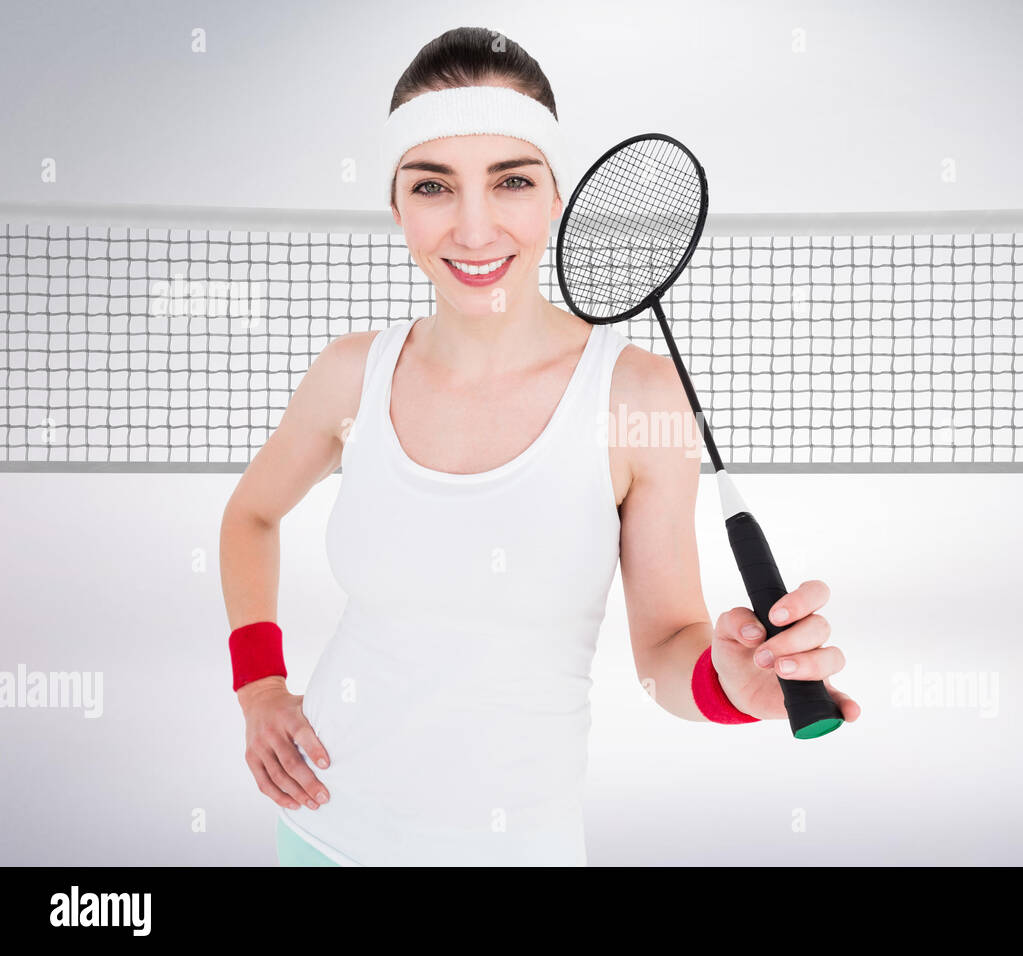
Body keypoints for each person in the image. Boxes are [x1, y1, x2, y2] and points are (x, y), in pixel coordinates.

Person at [219, 26, 859, 867]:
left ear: (555, 195)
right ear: (396, 204)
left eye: (511, 181)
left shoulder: (635, 396)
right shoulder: (351, 377)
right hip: (321, 834)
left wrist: (727, 685)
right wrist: (260, 684)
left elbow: (668, 645)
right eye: (433, 185)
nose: (475, 229)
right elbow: (251, 515)